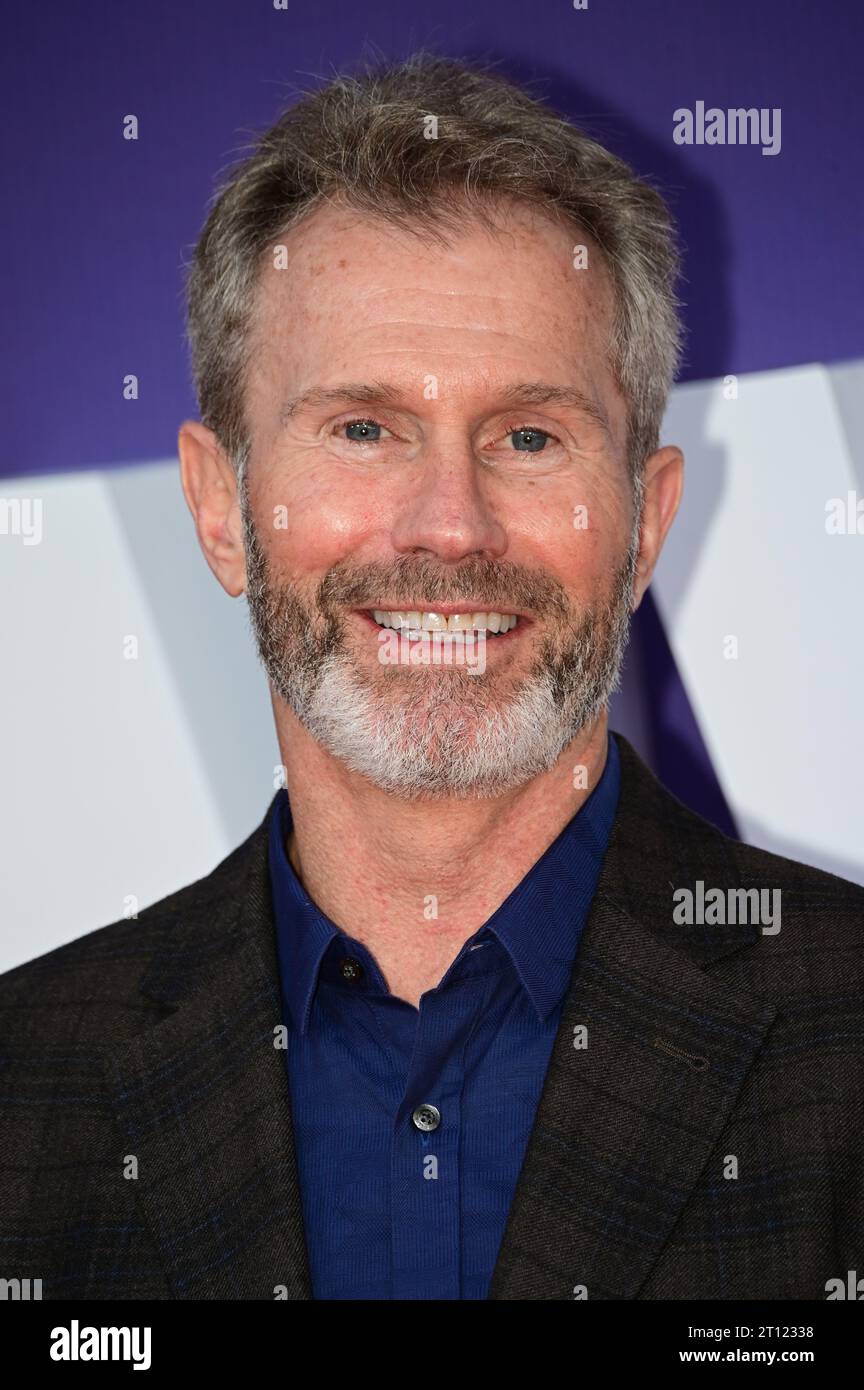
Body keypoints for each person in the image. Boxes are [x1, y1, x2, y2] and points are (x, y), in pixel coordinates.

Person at [1, 53, 861, 1302]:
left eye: (528, 435)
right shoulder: (23, 1086)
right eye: (364, 428)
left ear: (646, 522)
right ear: (219, 506)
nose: (450, 527)